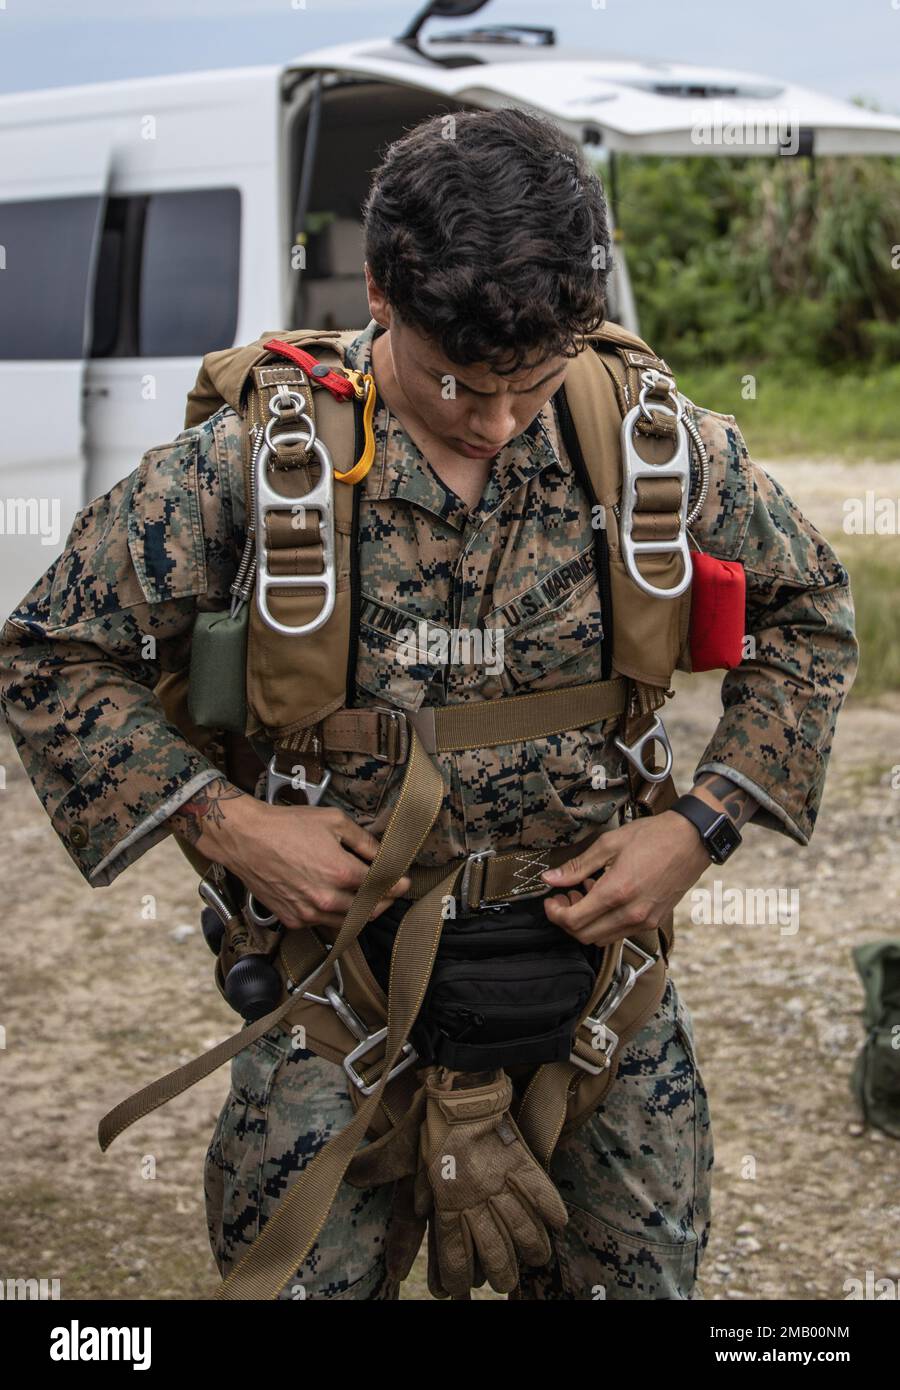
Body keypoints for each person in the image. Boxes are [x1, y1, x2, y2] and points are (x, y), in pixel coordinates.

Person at [0, 107, 858, 1301]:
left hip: (600, 982)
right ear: (383, 290)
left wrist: (699, 825)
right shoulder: (261, 459)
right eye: (464, 387)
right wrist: (230, 826)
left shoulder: (648, 444)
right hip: (332, 988)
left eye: (532, 384)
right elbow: (48, 652)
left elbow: (813, 608)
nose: (501, 422)